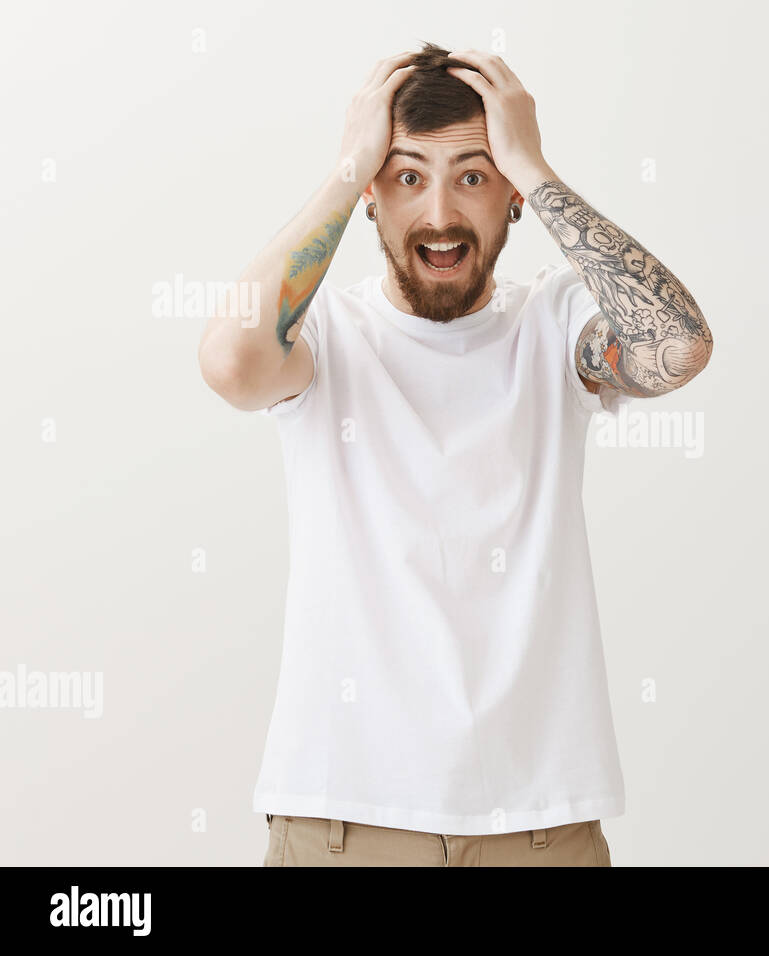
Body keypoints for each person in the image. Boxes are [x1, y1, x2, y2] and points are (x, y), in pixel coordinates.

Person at [197, 42, 712, 866]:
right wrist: (346, 164)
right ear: (371, 191)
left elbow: (678, 349)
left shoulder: (553, 324)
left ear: (509, 193)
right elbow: (231, 364)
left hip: (539, 827)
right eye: (406, 176)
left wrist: (533, 165)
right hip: (341, 822)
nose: (439, 212)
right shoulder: (325, 334)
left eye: (473, 175)